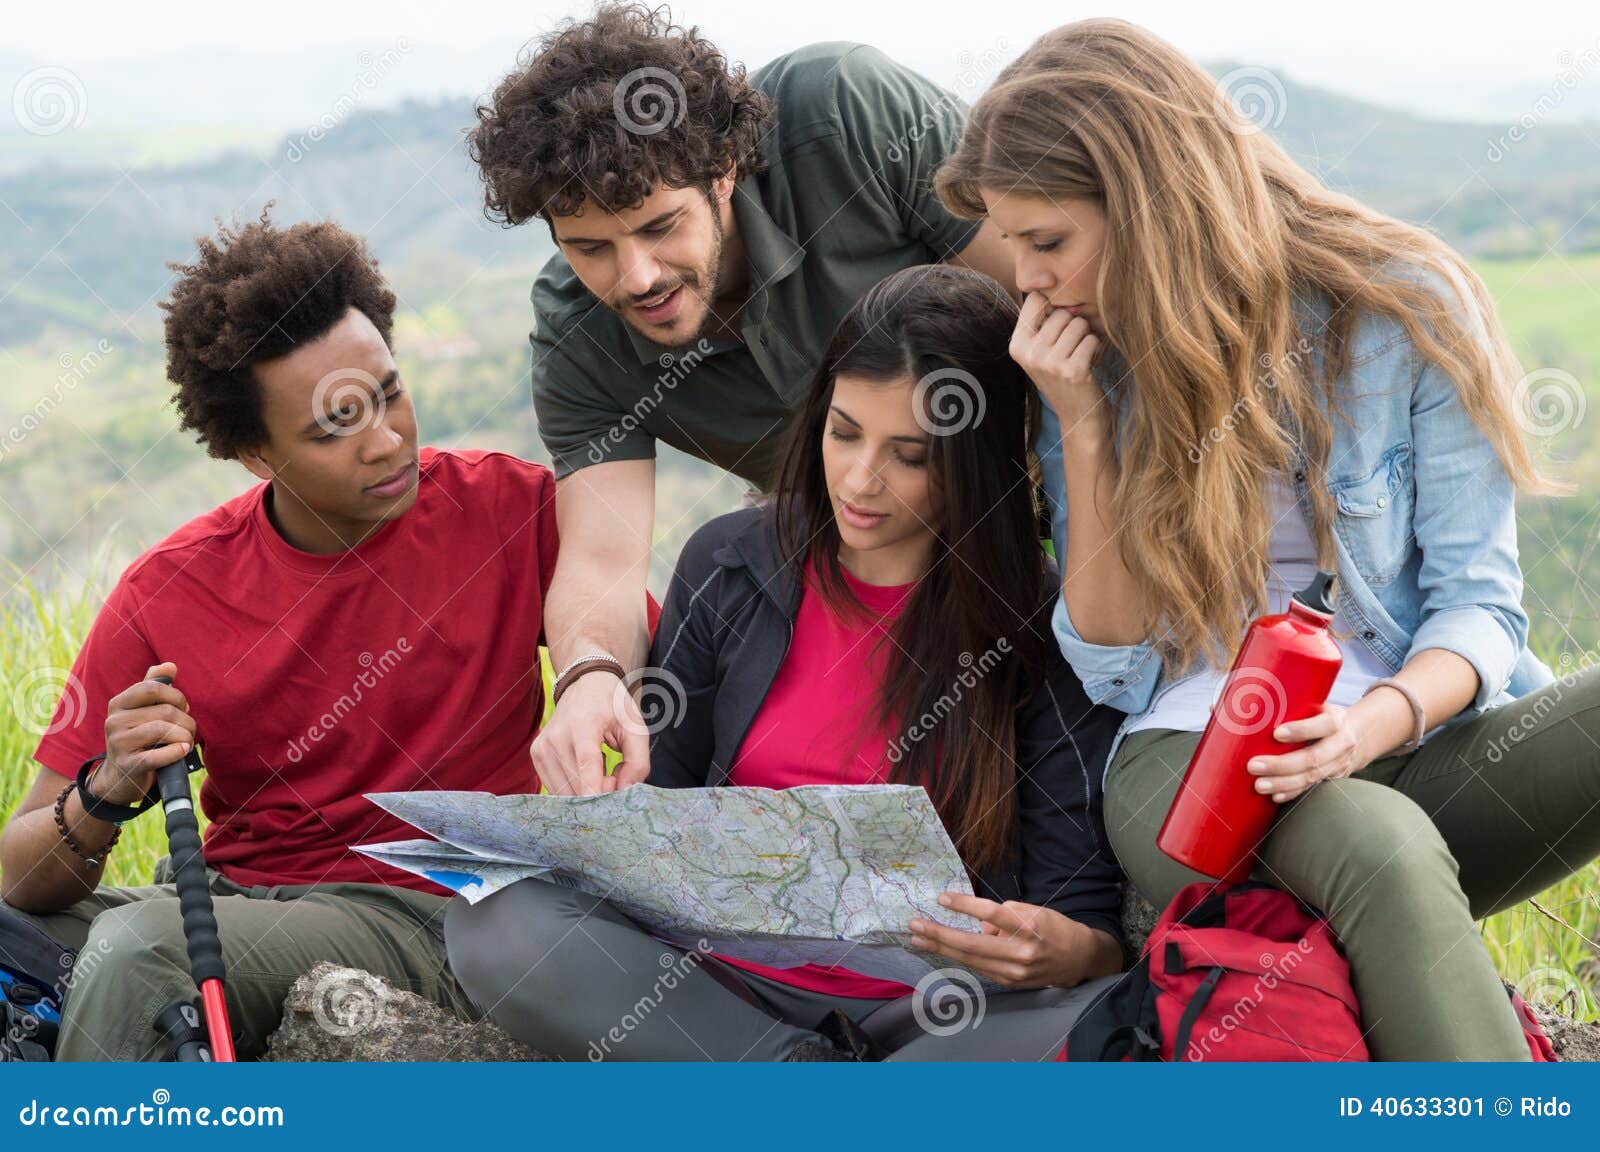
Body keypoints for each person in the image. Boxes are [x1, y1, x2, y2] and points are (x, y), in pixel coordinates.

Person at [934, 17, 1598, 1060]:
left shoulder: (1404, 305)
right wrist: (1083, 422)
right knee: (1379, 849)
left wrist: (1369, 726)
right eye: (1011, 242)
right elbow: (1113, 662)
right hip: (1191, 761)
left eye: (1046, 241)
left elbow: (1480, 608)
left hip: (1403, 731)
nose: (1023, 277)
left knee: (1391, 834)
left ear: (1150, 205)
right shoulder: (1086, 360)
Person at [446, 266, 1126, 1061]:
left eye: (909, 455)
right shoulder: (731, 563)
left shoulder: (1047, 624)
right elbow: (661, 809)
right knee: (494, 916)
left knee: (1091, 1014)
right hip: (716, 990)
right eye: (844, 433)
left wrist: (1064, 950)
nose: (860, 480)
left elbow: (1088, 928)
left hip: (936, 1012)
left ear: (977, 461)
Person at [0, 209, 629, 1060]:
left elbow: (656, 665)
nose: (386, 441)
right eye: (335, 426)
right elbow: (21, 876)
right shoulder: (169, 588)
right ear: (255, 454)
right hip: (229, 902)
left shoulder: (511, 512)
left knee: (139, 955)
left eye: (389, 394)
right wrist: (108, 788)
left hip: (440, 915)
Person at [467, 3, 1020, 796]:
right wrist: (590, 677)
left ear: (724, 169)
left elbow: (1061, 304)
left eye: (661, 226)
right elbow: (601, 558)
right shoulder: (576, 337)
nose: (637, 277)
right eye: (590, 247)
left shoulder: (848, 114)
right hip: (890, 586)